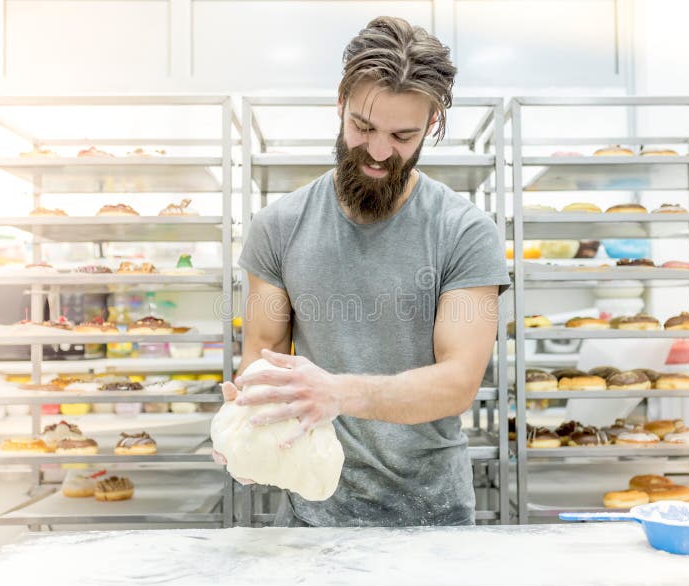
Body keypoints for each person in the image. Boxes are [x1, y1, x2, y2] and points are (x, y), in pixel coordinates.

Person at [215, 16, 510, 527]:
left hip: (432, 514)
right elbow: (262, 358)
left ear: (433, 124)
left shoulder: (465, 232)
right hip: (312, 516)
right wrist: (246, 424)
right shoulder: (277, 227)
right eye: (363, 127)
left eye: (402, 135)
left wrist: (339, 393)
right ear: (340, 103)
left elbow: (459, 382)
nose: (377, 152)